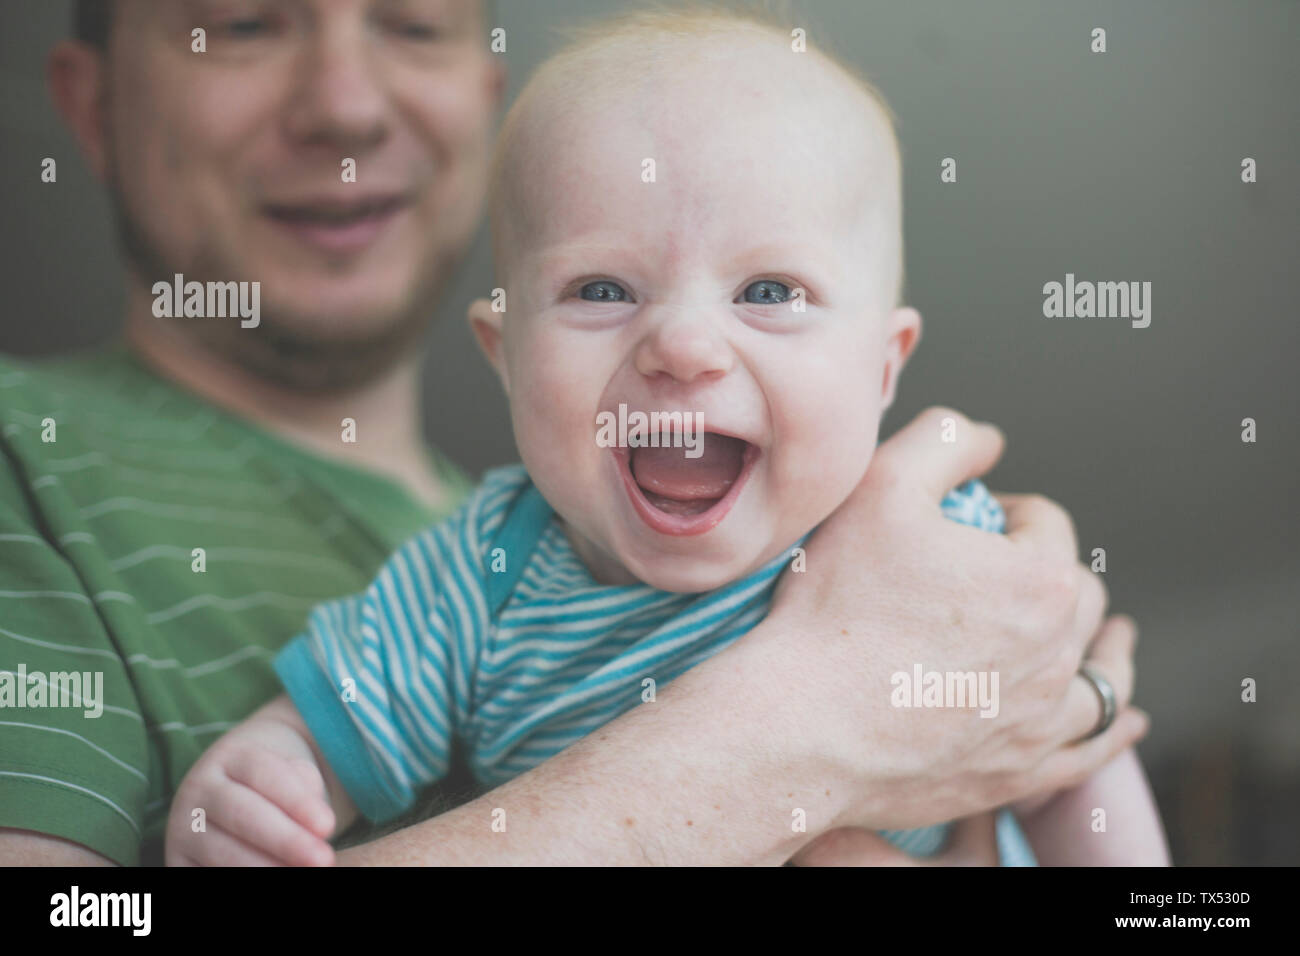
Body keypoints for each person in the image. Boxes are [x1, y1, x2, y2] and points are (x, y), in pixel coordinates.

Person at [1, 0, 1149, 867]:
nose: (684, 347)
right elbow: (337, 712)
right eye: (603, 287)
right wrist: (269, 767)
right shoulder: (478, 567)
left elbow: (1066, 752)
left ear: (884, 363)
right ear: (503, 351)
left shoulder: (926, 535)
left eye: (772, 292)